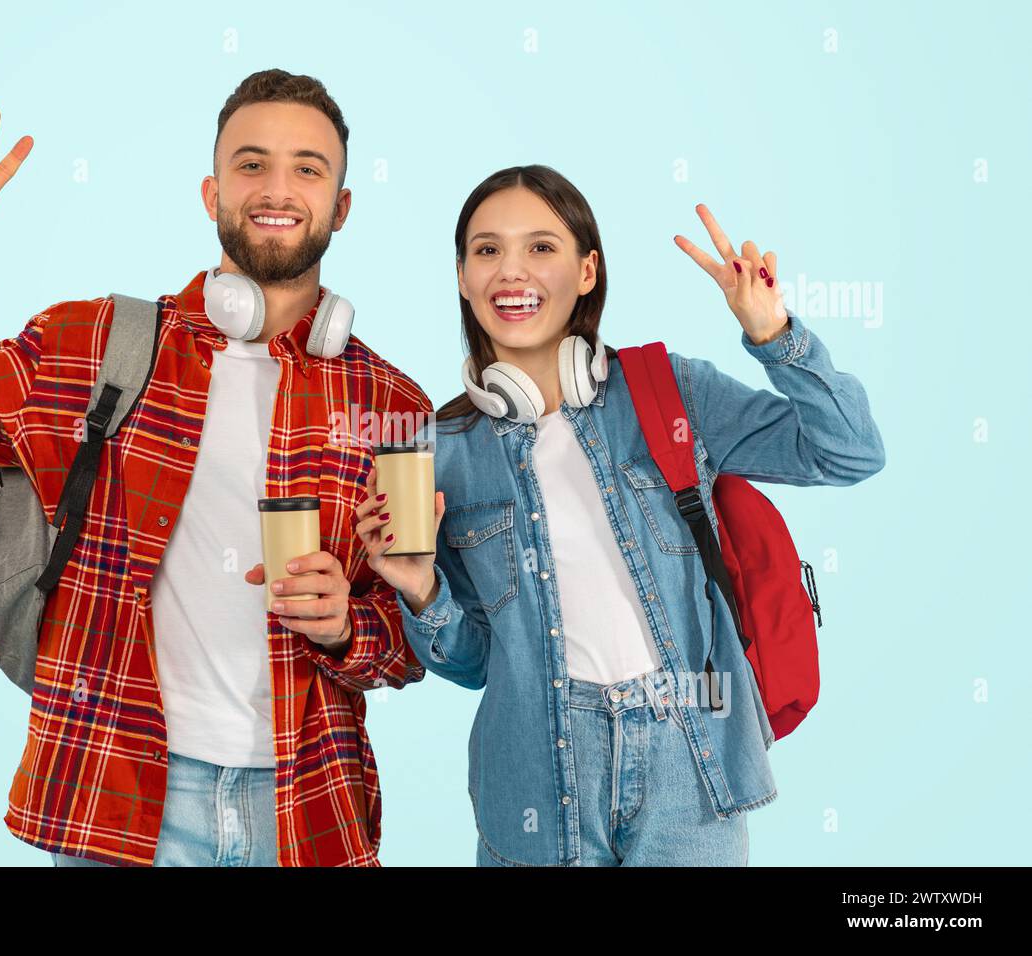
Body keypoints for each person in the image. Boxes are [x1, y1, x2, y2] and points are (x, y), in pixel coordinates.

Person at [0, 69, 432, 867]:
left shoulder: (389, 402)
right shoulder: (97, 345)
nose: (277, 187)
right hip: (119, 798)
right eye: (251, 164)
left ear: (343, 205)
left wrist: (347, 626)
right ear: (211, 191)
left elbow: (417, 634)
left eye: (308, 168)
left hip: (307, 804)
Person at [353, 165, 886, 866]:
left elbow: (847, 453)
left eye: (541, 247)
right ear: (462, 276)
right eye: (487, 250)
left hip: (688, 761)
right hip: (535, 778)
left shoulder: (670, 390)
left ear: (586, 271)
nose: (511, 271)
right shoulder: (437, 455)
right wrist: (420, 588)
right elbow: (475, 662)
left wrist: (775, 334)